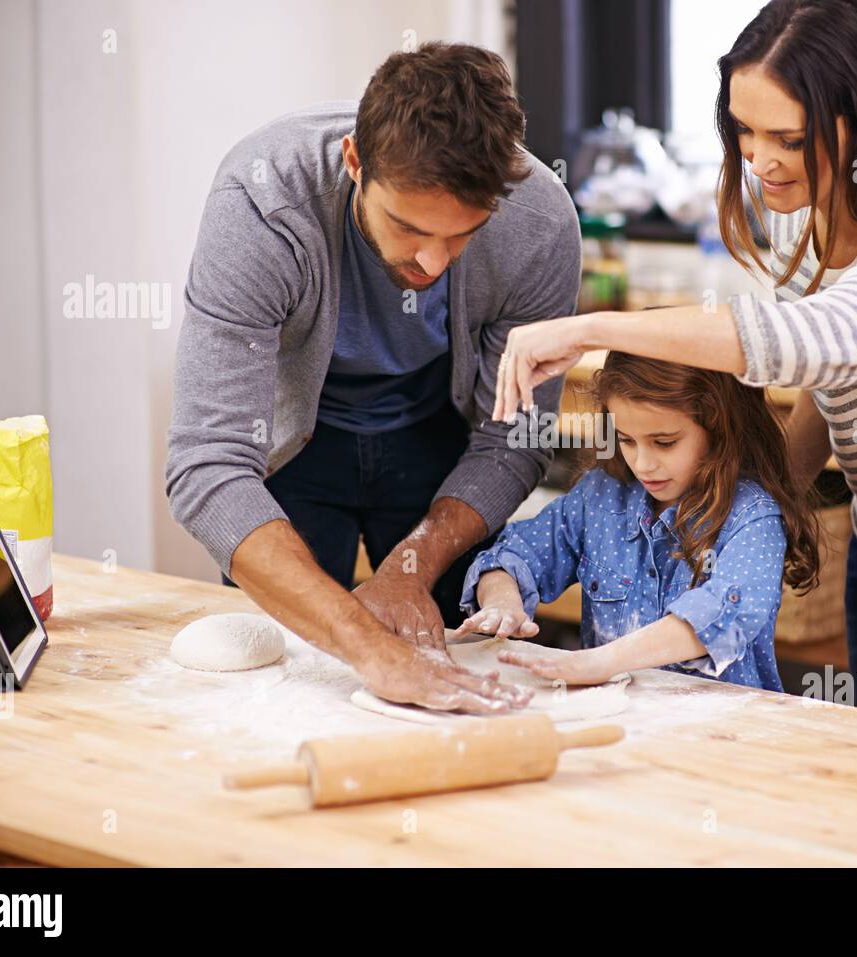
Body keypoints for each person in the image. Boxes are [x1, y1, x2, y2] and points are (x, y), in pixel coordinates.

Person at [490, 0, 857, 733]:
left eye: (786, 138)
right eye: (744, 130)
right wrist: (759, 506)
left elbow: (805, 340)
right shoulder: (818, 211)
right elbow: (833, 388)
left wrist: (592, 328)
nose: (759, 161)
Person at [166, 43, 581, 713]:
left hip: (438, 441)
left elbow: (514, 438)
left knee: (444, 680)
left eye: (462, 234)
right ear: (355, 162)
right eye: (410, 227)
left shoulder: (538, 223)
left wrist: (410, 568)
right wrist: (368, 643)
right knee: (282, 686)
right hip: (295, 441)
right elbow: (207, 467)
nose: (433, 262)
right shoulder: (262, 201)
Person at [456, 352, 819, 691]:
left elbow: (723, 614)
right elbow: (514, 554)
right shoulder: (600, 497)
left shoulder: (752, 518)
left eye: (664, 442)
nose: (643, 463)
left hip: (720, 736)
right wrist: (501, 601)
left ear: (721, 429)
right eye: (627, 440)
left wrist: (602, 662)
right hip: (616, 725)